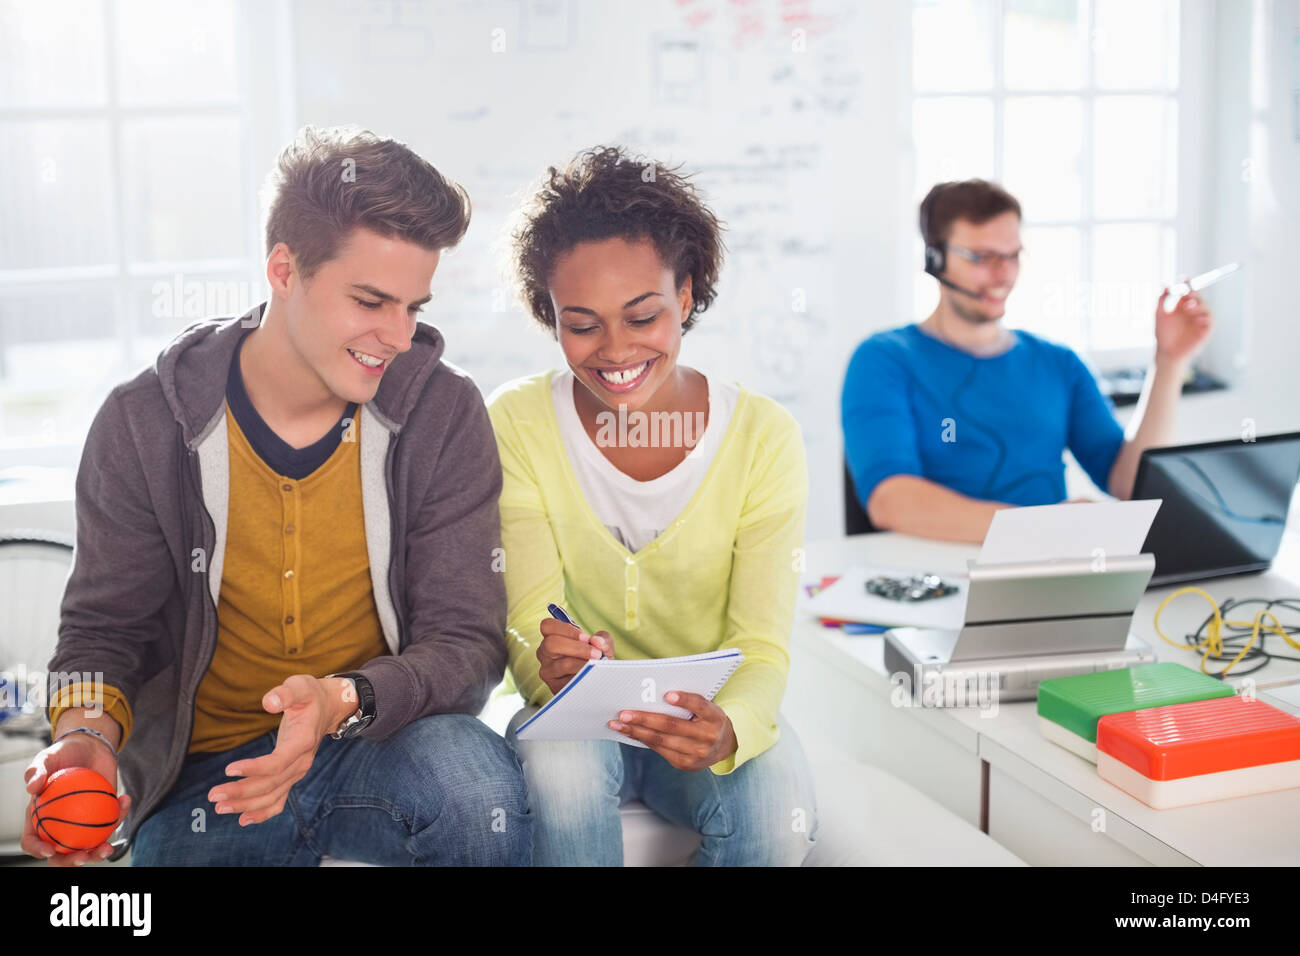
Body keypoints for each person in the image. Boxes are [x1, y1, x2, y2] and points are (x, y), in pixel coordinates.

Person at [22, 126, 531, 866]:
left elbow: (467, 644)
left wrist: (341, 701)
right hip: (210, 779)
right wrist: (84, 738)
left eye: (414, 307)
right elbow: (102, 635)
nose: (396, 336)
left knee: (476, 789)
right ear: (285, 270)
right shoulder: (143, 424)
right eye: (370, 301)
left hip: (373, 741)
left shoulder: (442, 412)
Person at [488, 145, 818, 866]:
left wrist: (730, 726)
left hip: (702, 717)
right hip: (574, 719)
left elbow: (761, 648)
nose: (616, 350)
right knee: (564, 772)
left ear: (688, 297)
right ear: (550, 316)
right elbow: (524, 628)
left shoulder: (763, 438)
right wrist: (550, 664)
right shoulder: (515, 423)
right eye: (582, 324)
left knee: (779, 817)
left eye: (643, 316)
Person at [842, 178, 1215, 543]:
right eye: (983, 257)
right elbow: (891, 502)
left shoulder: (1058, 363)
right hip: (937, 580)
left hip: (1046, 572)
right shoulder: (884, 360)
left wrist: (1168, 363)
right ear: (935, 259)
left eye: (1012, 256)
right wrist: (1042, 526)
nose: (1003, 274)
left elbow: (1130, 484)